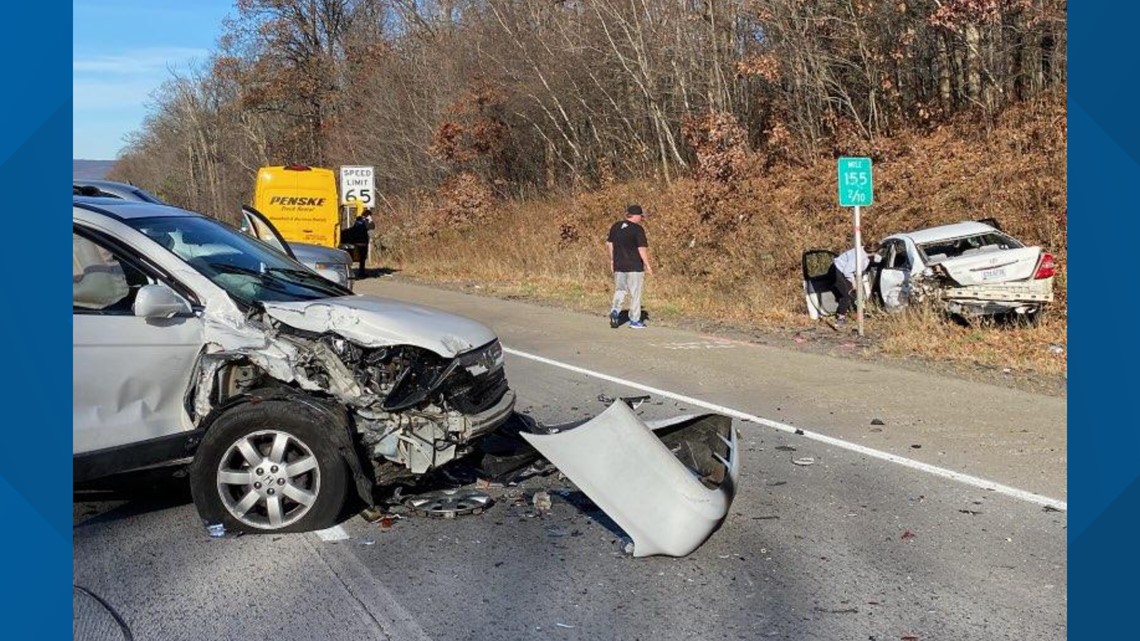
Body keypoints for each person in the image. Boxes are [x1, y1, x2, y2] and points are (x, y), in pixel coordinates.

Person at [606, 204, 653, 329]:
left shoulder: (615, 226)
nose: (641, 219)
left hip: (619, 264)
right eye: (641, 216)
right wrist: (648, 265)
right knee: (635, 292)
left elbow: (610, 244)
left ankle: (615, 310)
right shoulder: (638, 229)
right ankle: (635, 320)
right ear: (636, 216)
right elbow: (641, 249)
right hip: (634, 266)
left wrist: (612, 260)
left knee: (620, 290)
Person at [831, 244, 871, 325]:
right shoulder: (859, 257)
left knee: (852, 293)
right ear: (873, 252)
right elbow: (847, 271)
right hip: (837, 270)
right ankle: (840, 318)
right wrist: (853, 282)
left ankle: (859, 312)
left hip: (844, 271)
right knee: (846, 294)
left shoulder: (865, 252)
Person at [344, 208, 375, 278]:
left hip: (356, 242)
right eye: (369, 215)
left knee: (355, 257)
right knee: (362, 259)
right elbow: (372, 226)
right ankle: (361, 273)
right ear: (367, 215)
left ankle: (352, 272)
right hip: (363, 242)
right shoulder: (365, 222)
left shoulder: (357, 221)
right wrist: (370, 220)